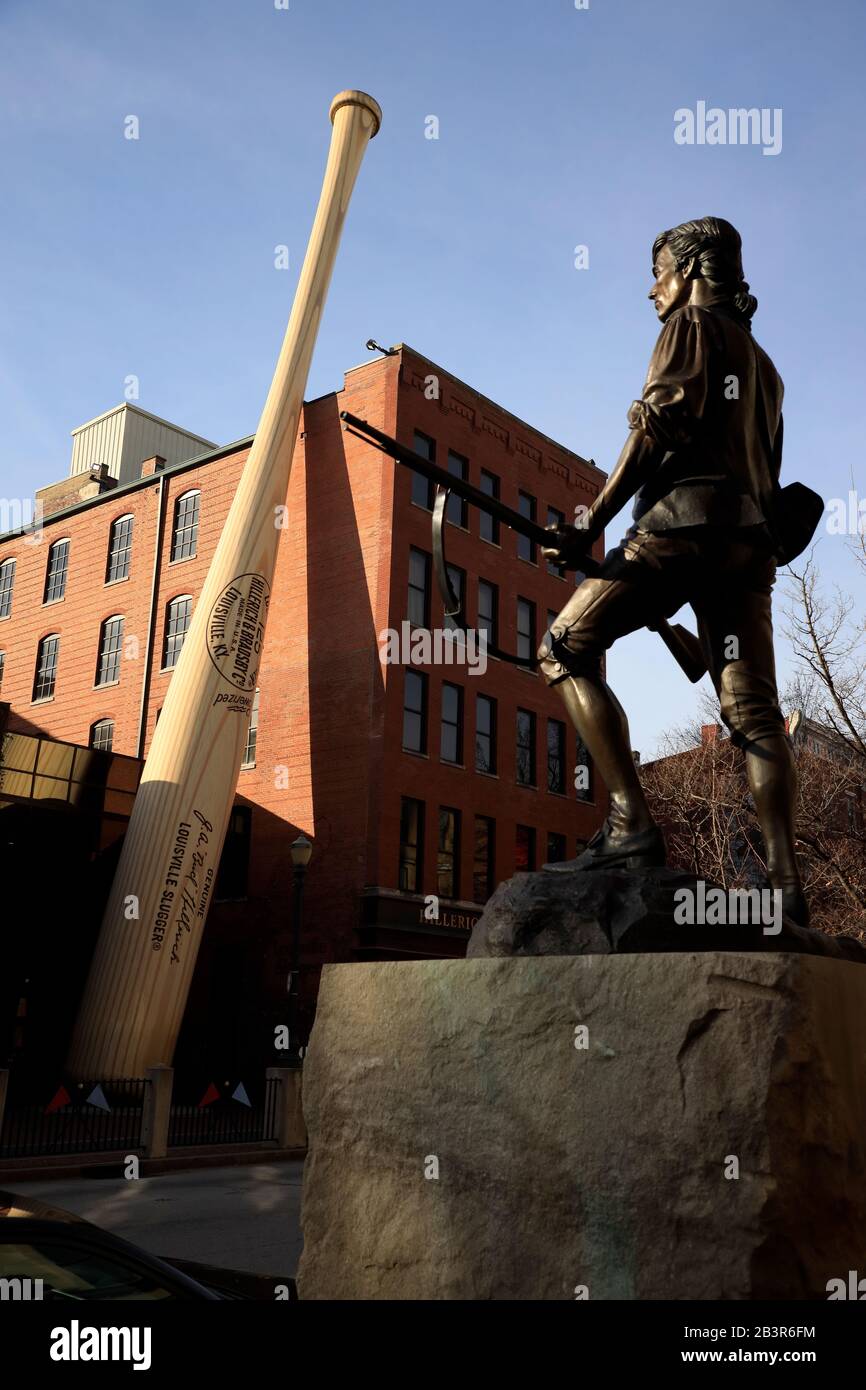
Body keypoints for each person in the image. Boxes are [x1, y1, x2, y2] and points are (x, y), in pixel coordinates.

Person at [538, 216, 807, 927]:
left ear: (689, 271)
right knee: (754, 715)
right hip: (747, 551)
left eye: (658, 272)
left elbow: (656, 428)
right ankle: (785, 888)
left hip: (681, 530)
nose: (650, 290)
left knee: (563, 647)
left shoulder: (691, 328)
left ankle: (630, 825)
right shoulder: (769, 371)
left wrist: (590, 523)